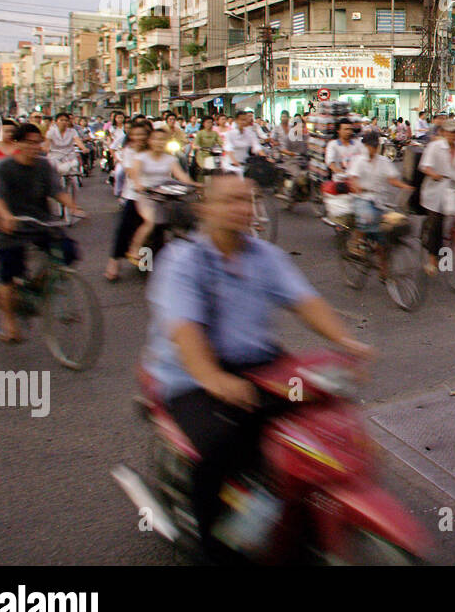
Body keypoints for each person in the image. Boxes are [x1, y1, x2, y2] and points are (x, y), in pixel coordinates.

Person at [142, 173, 371, 561]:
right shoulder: (184, 261)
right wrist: (213, 378)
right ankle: (214, 549)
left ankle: (297, 512)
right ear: (205, 208)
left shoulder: (265, 256)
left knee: (327, 418)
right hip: (192, 378)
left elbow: (306, 302)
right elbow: (184, 331)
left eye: (247, 200)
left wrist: (346, 341)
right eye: (230, 200)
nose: (242, 209)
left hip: (261, 366)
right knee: (224, 449)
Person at [0, 123, 84, 342]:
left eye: (37, 142)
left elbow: (57, 191)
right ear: (17, 143)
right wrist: (5, 215)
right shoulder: (3, 167)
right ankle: (8, 321)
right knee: (9, 271)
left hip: (40, 222)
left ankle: (38, 285)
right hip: (11, 226)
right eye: (28, 142)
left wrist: (74, 208)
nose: (33, 147)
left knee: (68, 251)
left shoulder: (44, 166)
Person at [125, 127, 199, 265]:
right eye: (156, 139)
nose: (159, 142)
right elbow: (135, 173)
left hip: (167, 195)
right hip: (147, 196)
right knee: (151, 221)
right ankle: (134, 249)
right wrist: (138, 184)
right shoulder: (141, 157)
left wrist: (195, 185)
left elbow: (182, 176)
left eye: (163, 140)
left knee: (188, 217)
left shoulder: (170, 159)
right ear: (150, 141)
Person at [417, 119, 455, 274]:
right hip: (436, 191)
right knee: (437, 224)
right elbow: (424, 166)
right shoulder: (435, 147)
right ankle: (432, 261)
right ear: (443, 132)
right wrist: (434, 174)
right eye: (450, 132)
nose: (453, 135)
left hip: (454, 189)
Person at [346, 131, 412, 256]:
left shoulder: (383, 161)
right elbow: (353, 178)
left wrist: (406, 187)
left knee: (385, 237)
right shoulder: (359, 161)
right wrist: (356, 187)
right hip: (362, 198)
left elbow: (392, 180)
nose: (372, 149)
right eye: (369, 146)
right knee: (367, 216)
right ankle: (356, 241)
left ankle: (384, 272)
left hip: (379, 200)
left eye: (374, 146)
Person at [105, 121, 153, 280]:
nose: (140, 138)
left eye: (143, 134)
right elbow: (131, 172)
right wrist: (140, 185)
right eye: (136, 134)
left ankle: (147, 261)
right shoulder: (128, 152)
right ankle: (114, 263)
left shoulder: (153, 150)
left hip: (154, 195)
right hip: (134, 195)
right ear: (131, 136)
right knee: (124, 229)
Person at [45, 112, 87, 210]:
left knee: (74, 180)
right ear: (56, 122)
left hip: (69, 156)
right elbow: (47, 144)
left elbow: (78, 141)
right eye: (61, 120)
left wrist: (84, 148)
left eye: (66, 120)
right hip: (55, 156)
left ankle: (73, 203)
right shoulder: (51, 132)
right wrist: (45, 149)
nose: (64, 122)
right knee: (57, 177)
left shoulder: (72, 131)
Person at [221, 110, 265, 175]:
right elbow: (228, 149)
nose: (243, 122)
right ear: (236, 121)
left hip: (245, 163)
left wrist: (265, 157)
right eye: (241, 120)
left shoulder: (250, 133)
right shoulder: (230, 134)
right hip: (231, 165)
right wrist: (234, 161)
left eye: (245, 120)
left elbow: (257, 146)